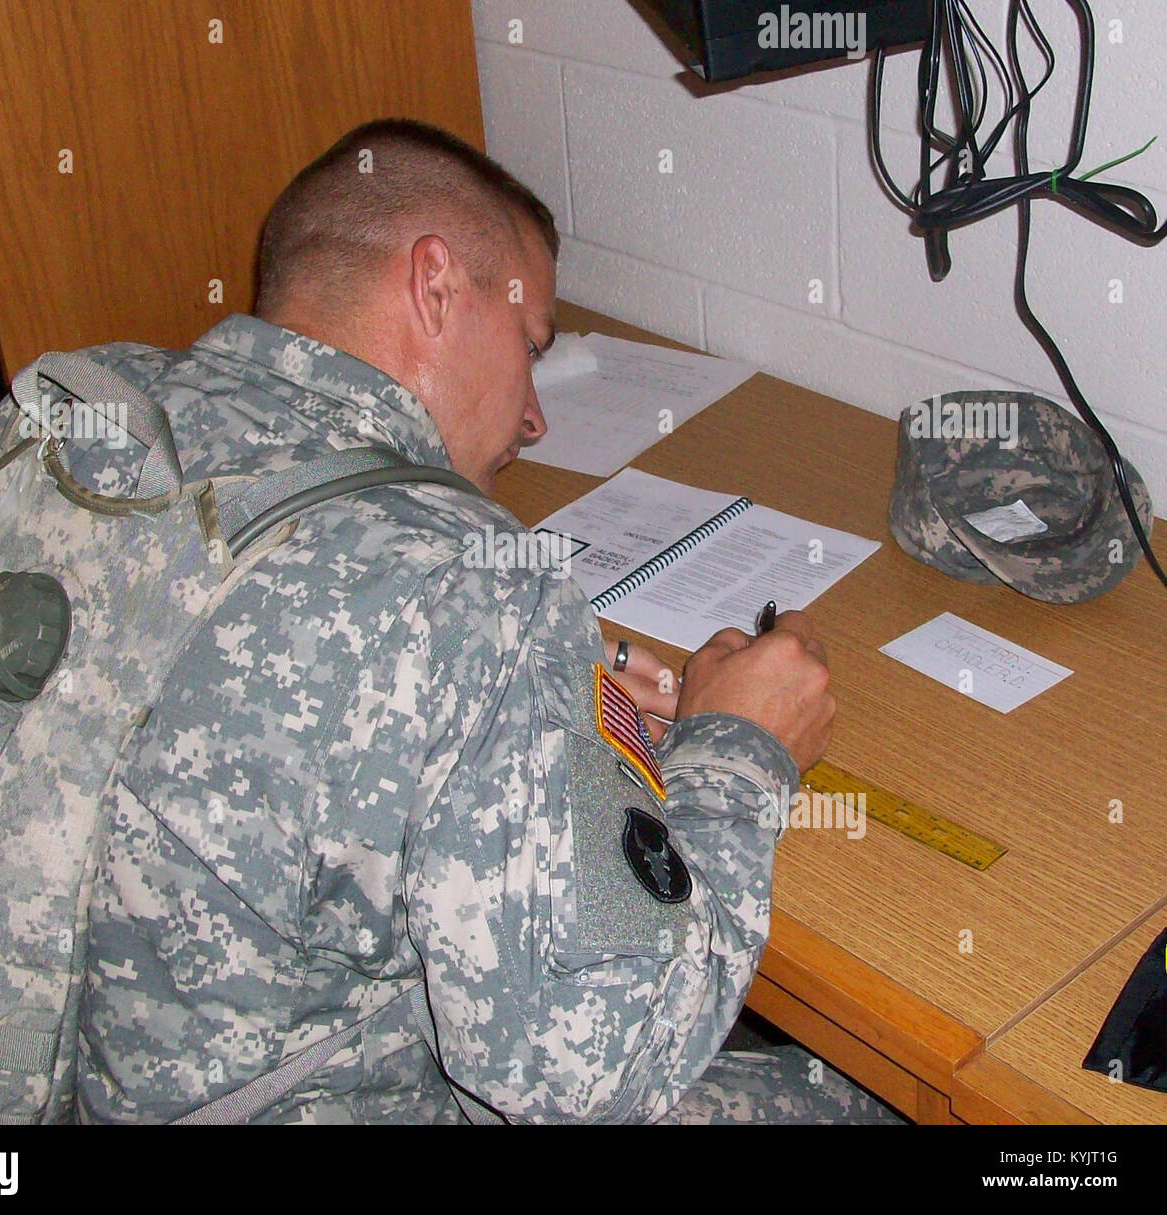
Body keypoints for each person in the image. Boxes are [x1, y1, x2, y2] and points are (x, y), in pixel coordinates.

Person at [58, 119, 895, 1123]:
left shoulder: (73, 433)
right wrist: (739, 749)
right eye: (531, 343)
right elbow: (604, 1067)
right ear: (436, 285)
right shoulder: (471, 586)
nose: (535, 414)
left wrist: (556, 702)